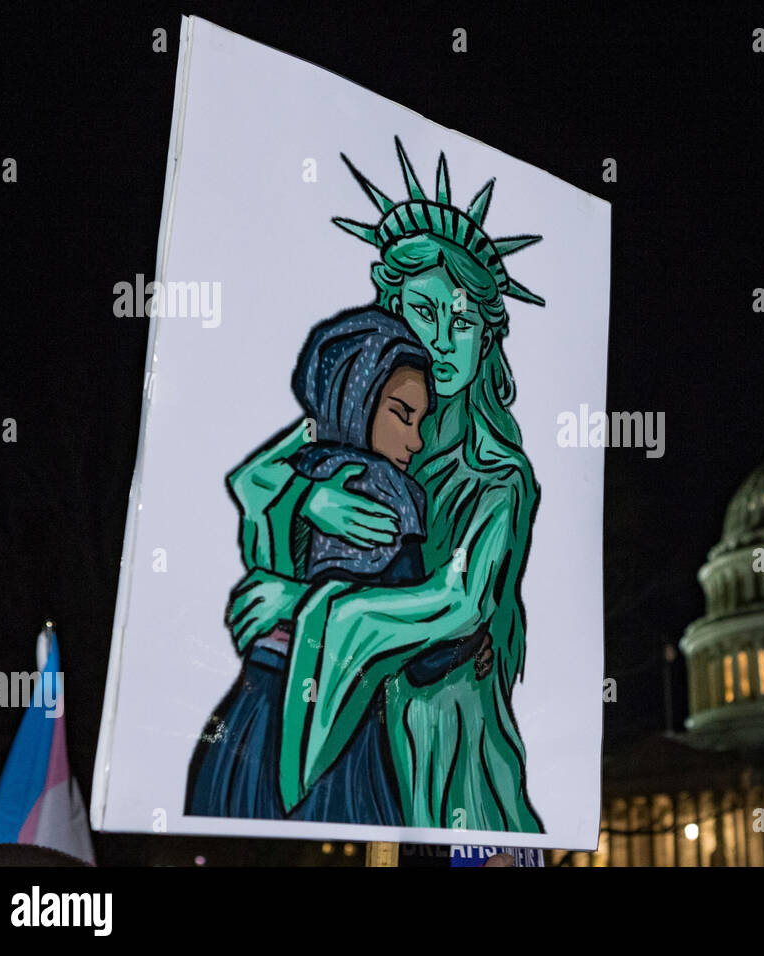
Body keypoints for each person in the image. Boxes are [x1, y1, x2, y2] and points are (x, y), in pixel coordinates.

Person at [216, 138, 546, 832]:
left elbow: (457, 601)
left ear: (488, 340)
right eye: (426, 313)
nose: (443, 340)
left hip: (441, 740)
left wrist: (302, 602)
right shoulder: (354, 420)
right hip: (356, 730)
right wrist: (310, 496)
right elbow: (256, 479)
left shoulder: (499, 475)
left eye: (464, 323)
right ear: (391, 303)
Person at [186, 308, 490, 823]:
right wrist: (465, 641)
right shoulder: (387, 491)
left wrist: (304, 512)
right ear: (359, 396)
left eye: (419, 421)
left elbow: (250, 480)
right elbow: (401, 635)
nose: (415, 442)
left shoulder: (287, 478)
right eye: (400, 413)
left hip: (245, 726)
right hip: (331, 735)